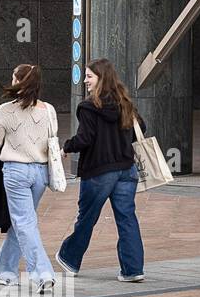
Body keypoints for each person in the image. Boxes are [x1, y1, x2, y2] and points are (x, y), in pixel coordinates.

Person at [57, 58, 147, 282]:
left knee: (87, 218)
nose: (85, 80)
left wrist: (66, 147)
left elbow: (85, 138)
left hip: (99, 171)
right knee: (127, 219)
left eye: (89, 76)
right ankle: (133, 270)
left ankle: (70, 259)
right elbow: (141, 128)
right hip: (127, 170)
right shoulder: (124, 103)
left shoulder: (89, 106)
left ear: (101, 78)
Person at [0, 64, 58, 293]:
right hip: (41, 172)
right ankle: (5, 268)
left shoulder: (4, 111)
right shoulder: (49, 110)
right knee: (24, 221)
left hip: (16, 171)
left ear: (18, 81)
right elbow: (52, 139)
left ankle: (42, 273)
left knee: (24, 222)